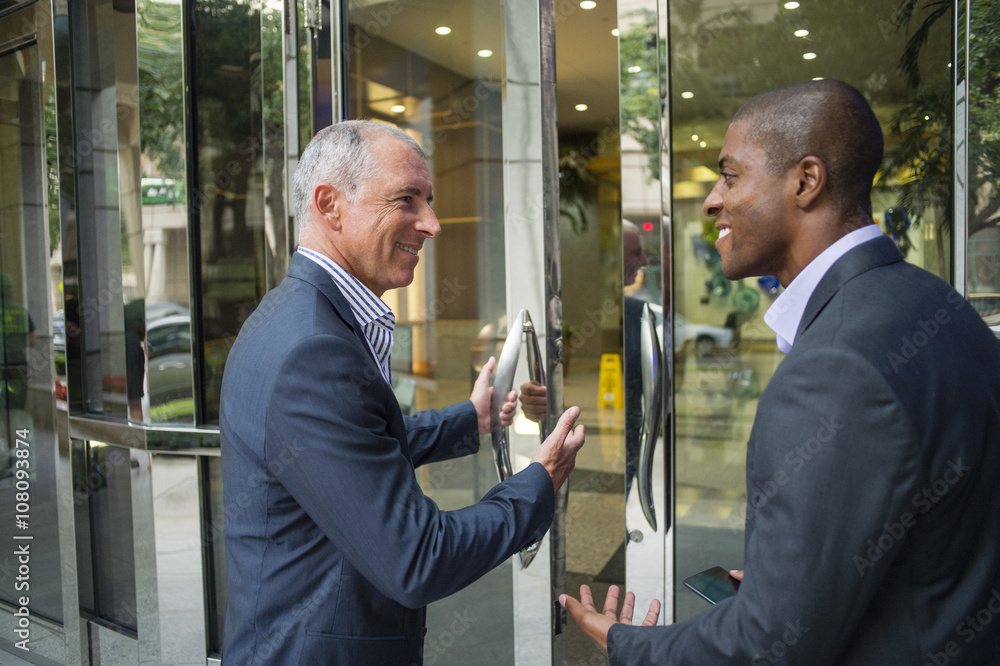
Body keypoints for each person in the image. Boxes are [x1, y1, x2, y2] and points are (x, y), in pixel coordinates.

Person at [561, 79, 1000, 664]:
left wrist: (625, 642)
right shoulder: (936, 304)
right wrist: (796, 582)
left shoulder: (838, 367)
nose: (713, 199)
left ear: (805, 181)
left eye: (731, 175)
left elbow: (767, 647)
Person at [220, 120, 586, 664]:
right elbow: (418, 559)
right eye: (406, 199)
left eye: (429, 201)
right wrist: (539, 482)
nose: (433, 224)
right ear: (330, 204)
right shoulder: (313, 351)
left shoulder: (291, 315)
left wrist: (471, 418)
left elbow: (349, 451)